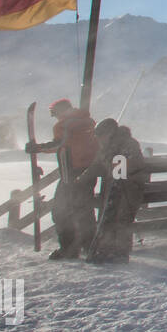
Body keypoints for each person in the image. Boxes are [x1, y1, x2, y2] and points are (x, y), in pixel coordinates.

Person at [25, 98, 99, 260]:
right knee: (84, 210)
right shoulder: (87, 121)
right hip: (89, 171)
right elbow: (71, 144)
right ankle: (90, 246)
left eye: (54, 113)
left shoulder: (64, 125)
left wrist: (38, 148)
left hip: (71, 173)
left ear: (60, 111)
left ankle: (69, 249)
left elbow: (60, 144)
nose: (54, 117)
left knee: (61, 212)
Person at [75, 119, 149, 263]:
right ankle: (106, 249)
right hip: (113, 187)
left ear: (109, 133)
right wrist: (81, 179)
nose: (99, 139)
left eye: (100, 135)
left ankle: (120, 253)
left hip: (129, 188)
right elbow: (96, 166)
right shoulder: (106, 147)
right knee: (107, 217)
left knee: (122, 219)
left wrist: (114, 163)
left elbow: (127, 167)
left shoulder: (127, 144)